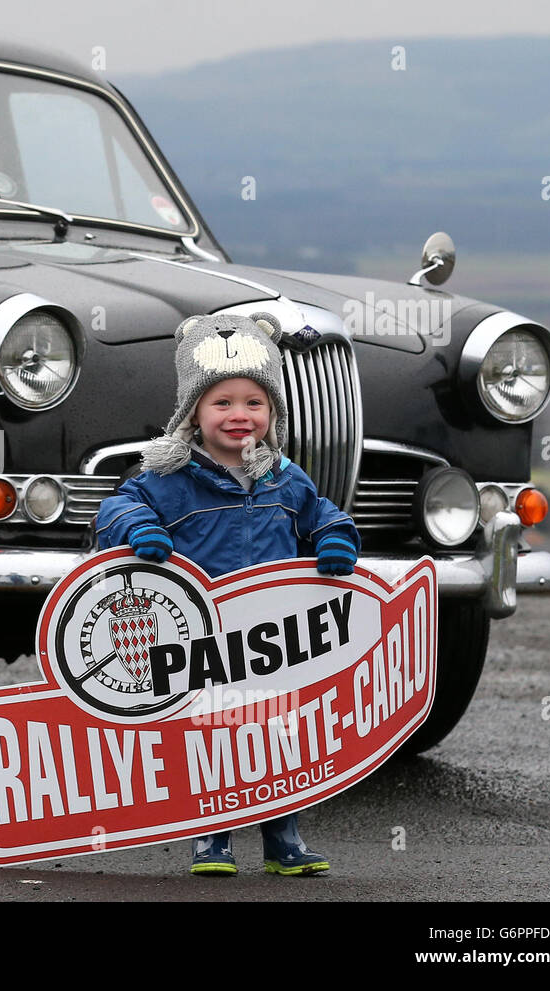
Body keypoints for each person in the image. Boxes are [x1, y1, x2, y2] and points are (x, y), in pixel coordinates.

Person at [93, 311, 360, 876]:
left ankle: (283, 841)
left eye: (254, 403)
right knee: (213, 738)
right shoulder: (168, 477)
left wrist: (336, 540)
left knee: (279, 736)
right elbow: (117, 506)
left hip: (275, 637)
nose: (240, 415)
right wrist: (141, 529)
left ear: (272, 413)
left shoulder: (286, 478)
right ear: (193, 413)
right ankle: (210, 841)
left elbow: (324, 515)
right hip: (205, 634)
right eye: (222, 403)